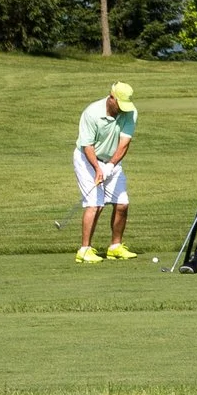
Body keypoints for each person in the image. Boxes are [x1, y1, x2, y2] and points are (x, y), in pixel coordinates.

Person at [73, 82, 139, 264]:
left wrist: (110, 165)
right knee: (95, 204)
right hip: (87, 160)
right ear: (111, 98)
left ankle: (115, 247)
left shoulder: (130, 112)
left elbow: (124, 142)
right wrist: (97, 168)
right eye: (120, 104)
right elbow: (87, 145)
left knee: (122, 204)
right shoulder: (92, 113)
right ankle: (84, 250)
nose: (122, 109)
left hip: (111, 161)